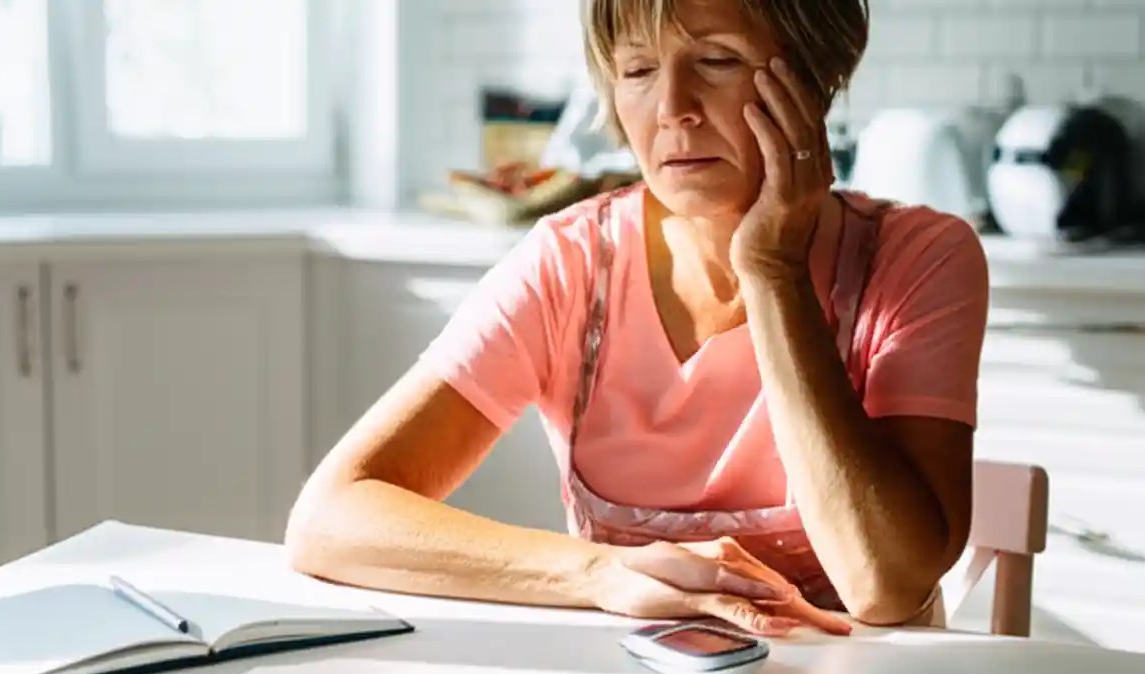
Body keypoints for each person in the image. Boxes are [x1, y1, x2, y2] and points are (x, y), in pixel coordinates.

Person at [286, 0, 988, 637]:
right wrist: (597, 573)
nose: (672, 108)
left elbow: (886, 589)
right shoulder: (570, 262)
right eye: (639, 69)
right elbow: (330, 519)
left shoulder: (919, 258)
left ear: (814, 77)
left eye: (717, 60)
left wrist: (773, 273)